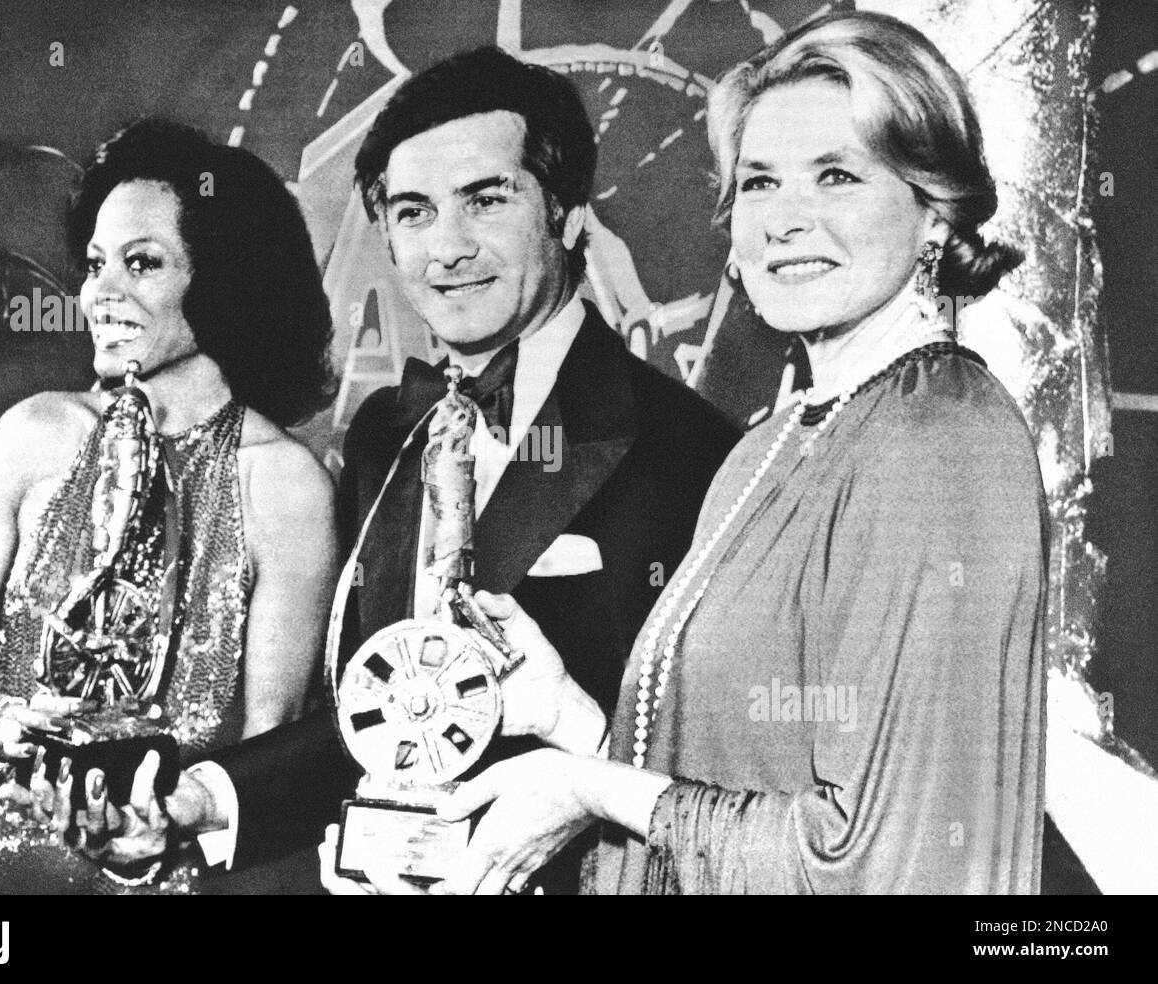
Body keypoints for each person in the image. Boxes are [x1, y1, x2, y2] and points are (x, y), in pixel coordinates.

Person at [328, 10, 1048, 895]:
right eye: (759, 183)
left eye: (836, 176)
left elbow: (881, 864)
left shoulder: (942, 437)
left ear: (935, 211)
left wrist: (582, 785)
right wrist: (572, 721)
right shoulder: (773, 445)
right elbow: (719, 791)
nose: (787, 220)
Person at [96, 46, 738, 893]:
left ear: (567, 211)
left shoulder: (691, 449)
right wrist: (199, 801)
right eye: (412, 211)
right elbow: (369, 712)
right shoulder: (384, 433)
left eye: (485, 200)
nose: (447, 247)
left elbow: (704, 779)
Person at [0, 118, 338, 894]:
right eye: (96, 263)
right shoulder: (35, 433)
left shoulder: (286, 484)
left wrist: (154, 825)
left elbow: (271, 752)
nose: (100, 293)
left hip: (163, 877)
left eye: (142, 264)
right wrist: (0, 724)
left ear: (224, 282)